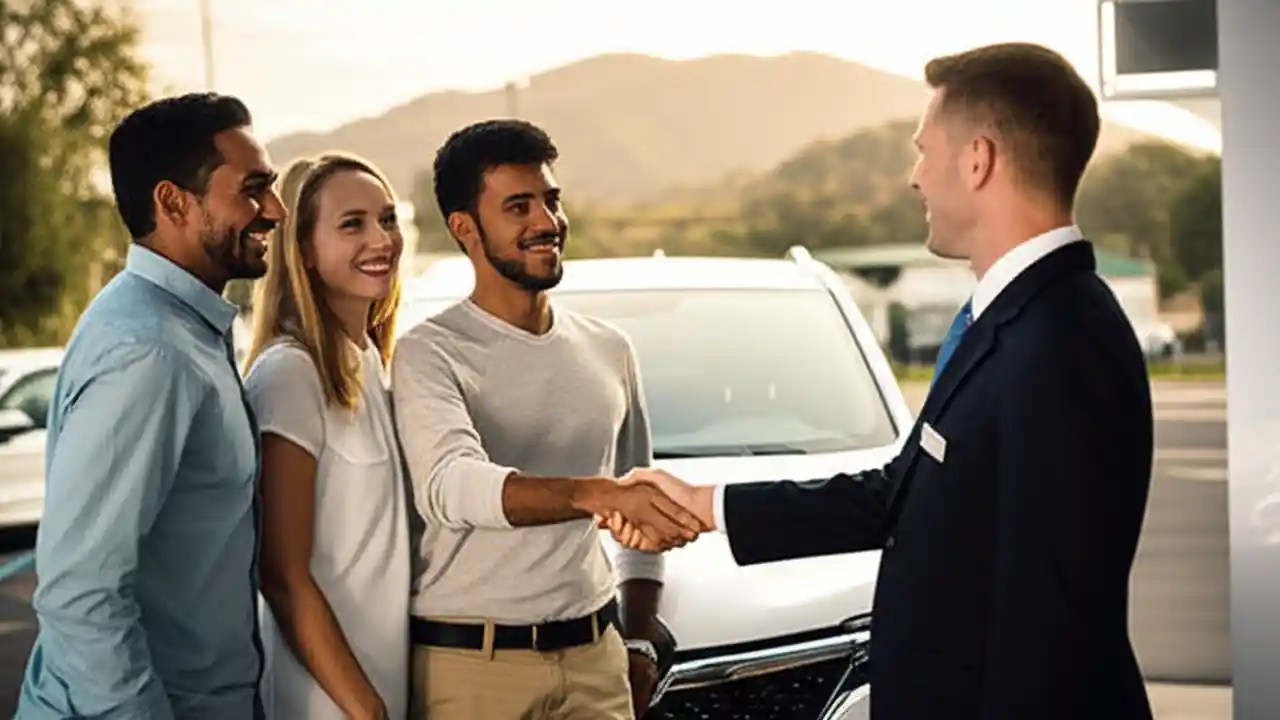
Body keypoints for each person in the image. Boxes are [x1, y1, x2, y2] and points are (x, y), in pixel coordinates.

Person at [619, 43, 1156, 719]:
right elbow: (901, 496)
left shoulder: (1058, 344)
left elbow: (1050, 621)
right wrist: (703, 504)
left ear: (978, 159)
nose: (915, 177)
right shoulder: (1014, 322)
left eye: (923, 151)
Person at [391, 119, 699, 719]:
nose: (545, 222)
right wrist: (594, 494)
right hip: (474, 671)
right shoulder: (430, 352)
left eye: (550, 200)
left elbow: (639, 501)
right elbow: (450, 485)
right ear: (465, 228)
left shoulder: (609, 349)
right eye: (518, 207)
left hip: (595, 663)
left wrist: (635, 636)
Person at [17, 93, 285, 718]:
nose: (275, 209)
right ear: (173, 202)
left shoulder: (178, 326)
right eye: (253, 190)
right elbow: (80, 592)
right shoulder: (149, 351)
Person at [242, 153, 410, 720]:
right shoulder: (291, 373)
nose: (381, 238)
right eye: (352, 224)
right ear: (305, 251)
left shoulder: (371, 362)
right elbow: (281, 574)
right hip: (327, 701)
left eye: (387, 218)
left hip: (389, 682)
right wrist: (365, 708)